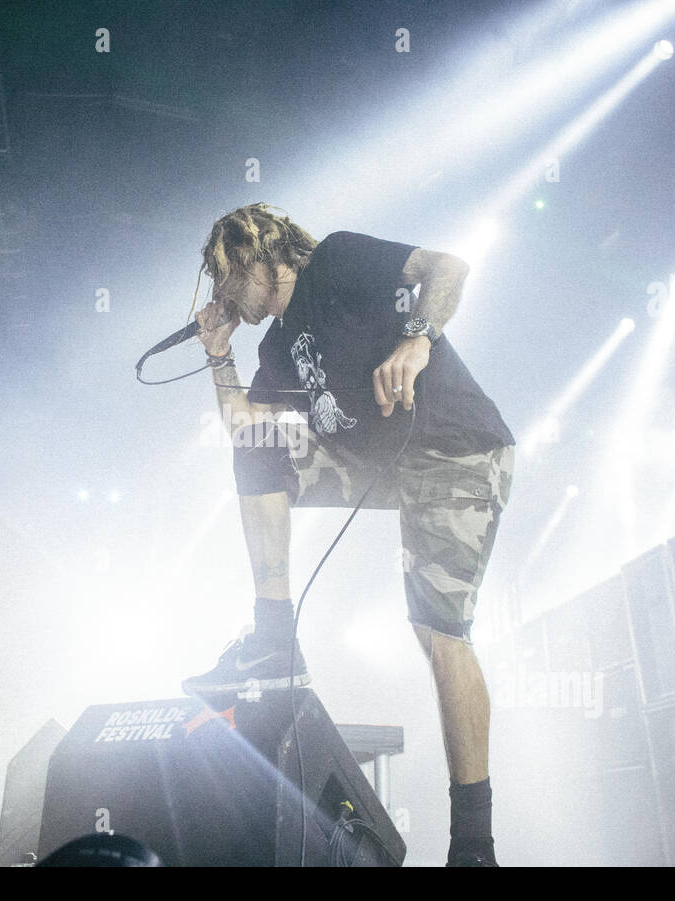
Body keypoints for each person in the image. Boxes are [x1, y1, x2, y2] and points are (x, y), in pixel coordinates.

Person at [181, 203, 515, 867]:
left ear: (259, 258)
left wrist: (418, 340)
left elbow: (448, 267)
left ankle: (474, 846)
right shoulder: (275, 348)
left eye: (225, 275)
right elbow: (244, 426)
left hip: (453, 448)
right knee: (258, 445)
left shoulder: (335, 261)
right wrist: (219, 356)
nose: (222, 292)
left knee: (438, 633)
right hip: (379, 463)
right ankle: (274, 638)